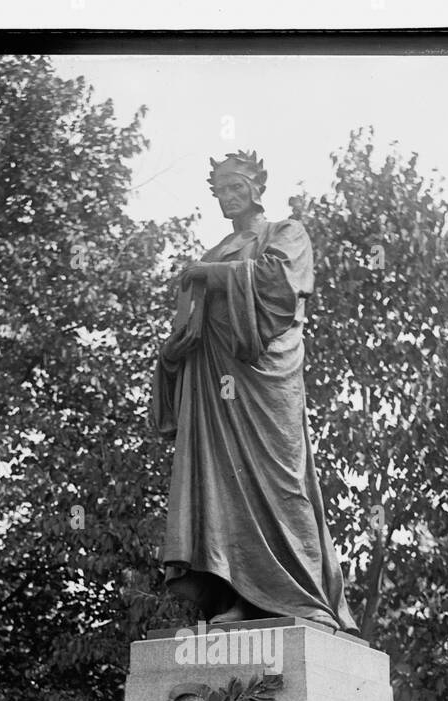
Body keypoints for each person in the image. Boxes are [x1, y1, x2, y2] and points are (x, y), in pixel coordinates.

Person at [150, 150, 358, 633]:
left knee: (283, 482)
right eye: (220, 190)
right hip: (213, 385)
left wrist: (214, 275)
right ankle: (237, 595)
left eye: (235, 187)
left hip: (264, 381)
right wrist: (172, 353)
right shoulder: (215, 250)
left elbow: (281, 283)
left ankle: (303, 597)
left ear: (256, 187)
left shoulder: (285, 232)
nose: (227, 197)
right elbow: (191, 322)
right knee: (220, 483)